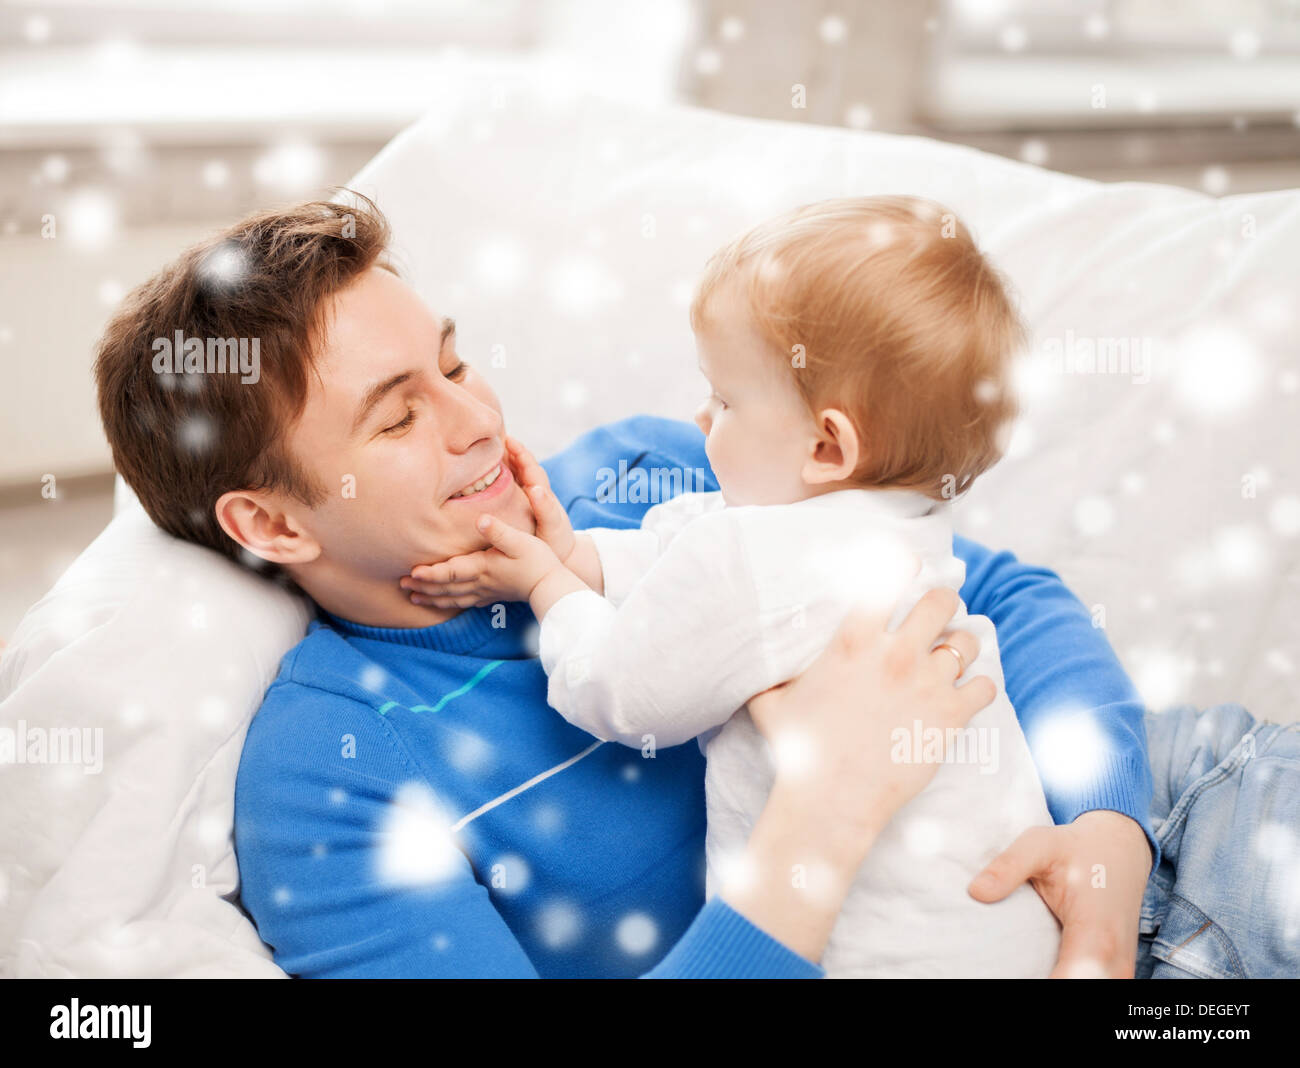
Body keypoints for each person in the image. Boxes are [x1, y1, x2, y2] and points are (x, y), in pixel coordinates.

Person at [92, 195, 1158, 978]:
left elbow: (1005, 597)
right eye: (398, 415)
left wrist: (1110, 842)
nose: (479, 424)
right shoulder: (332, 777)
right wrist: (823, 814)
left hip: (1142, 852)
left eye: (455, 368)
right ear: (272, 522)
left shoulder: (660, 471)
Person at [402, 197, 1061, 977]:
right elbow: (686, 568)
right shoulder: (897, 525)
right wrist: (583, 557)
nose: (699, 416)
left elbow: (624, 694)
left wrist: (547, 583)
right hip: (1015, 929)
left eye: (725, 400)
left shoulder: (748, 557)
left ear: (827, 443)